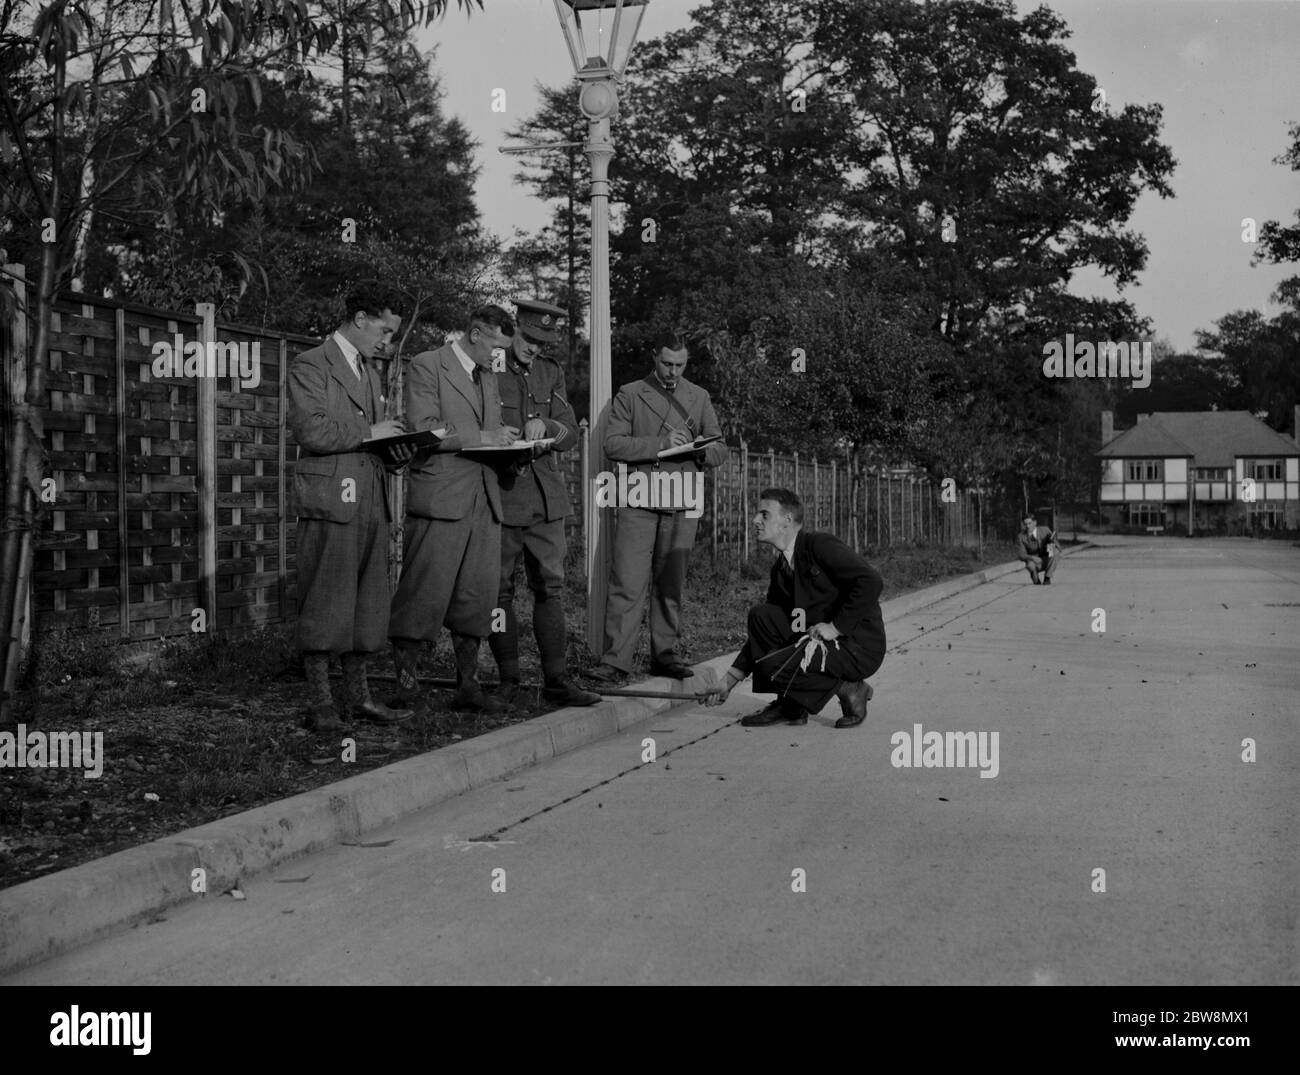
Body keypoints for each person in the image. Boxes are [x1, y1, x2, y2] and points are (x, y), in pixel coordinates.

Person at [288, 286, 415, 733]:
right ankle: (320, 704)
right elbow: (312, 430)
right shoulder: (311, 364)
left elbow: (367, 438)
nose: (388, 342)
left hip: (369, 498)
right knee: (324, 600)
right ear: (359, 319)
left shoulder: (369, 371)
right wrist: (371, 431)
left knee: (367, 605)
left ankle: (359, 699)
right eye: (384, 331)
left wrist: (395, 450)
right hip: (330, 501)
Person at [388, 305, 520, 715]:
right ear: (476, 334)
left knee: (476, 599)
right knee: (421, 595)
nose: (500, 358)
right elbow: (424, 427)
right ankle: (405, 686)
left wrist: (514, 448)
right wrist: (484, 436)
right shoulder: (429, 365)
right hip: (442, 498)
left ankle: (468, 686)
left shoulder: (487, 376)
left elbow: (490, 432)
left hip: (483, 498)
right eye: (497, 347)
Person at [583, 331, 729, 685]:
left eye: (680, 365)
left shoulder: (699, 397)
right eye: (666, 363)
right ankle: (616, 660)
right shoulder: (631, 394)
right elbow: (613, 444)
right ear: (654, 357)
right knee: (627, 583)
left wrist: (698, 449)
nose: (673, 372)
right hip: (640, 499)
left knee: (670, 585)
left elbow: (720, 449)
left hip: (681, 499)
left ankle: (665, 655)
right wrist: (661, 444)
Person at [489, 298, 600, 707]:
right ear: (515, 327)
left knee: (549, 590)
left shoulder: (550, 372)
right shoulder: (490, 367)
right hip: (502, 493)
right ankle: (509, 682)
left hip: (545, 498)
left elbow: (570, 433)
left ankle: (556, 680)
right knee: (498, 592)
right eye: (529, 338)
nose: (534, 348)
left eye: (542, 342)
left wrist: (548, 426)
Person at [702, 489, 885, 729]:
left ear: (786, 521)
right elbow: (761, 636)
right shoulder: (780, 570)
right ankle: (792, 707)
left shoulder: (819, 545)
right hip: (818, 644)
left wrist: (836, 627)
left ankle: (851, 688)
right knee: (761, 617)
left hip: (857, 647)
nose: (756, 520)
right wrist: (728, 681)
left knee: (770, 665)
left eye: (764, 514)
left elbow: (871, 581)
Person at [1018, 515, 1059, 585]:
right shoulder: (1021, 536)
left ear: (1035, 523)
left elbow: (1057, 546)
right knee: (1030, 566)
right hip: (1034, 562)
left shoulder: (1045, 530)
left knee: (1054, 551)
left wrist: (1052, 542)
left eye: (1029, 523)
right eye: (1025, 524)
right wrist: (1033, 558)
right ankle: (1034, 575)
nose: (1027, 526)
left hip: (1046, 559)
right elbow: (1021, 554)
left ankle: (1047, 577)